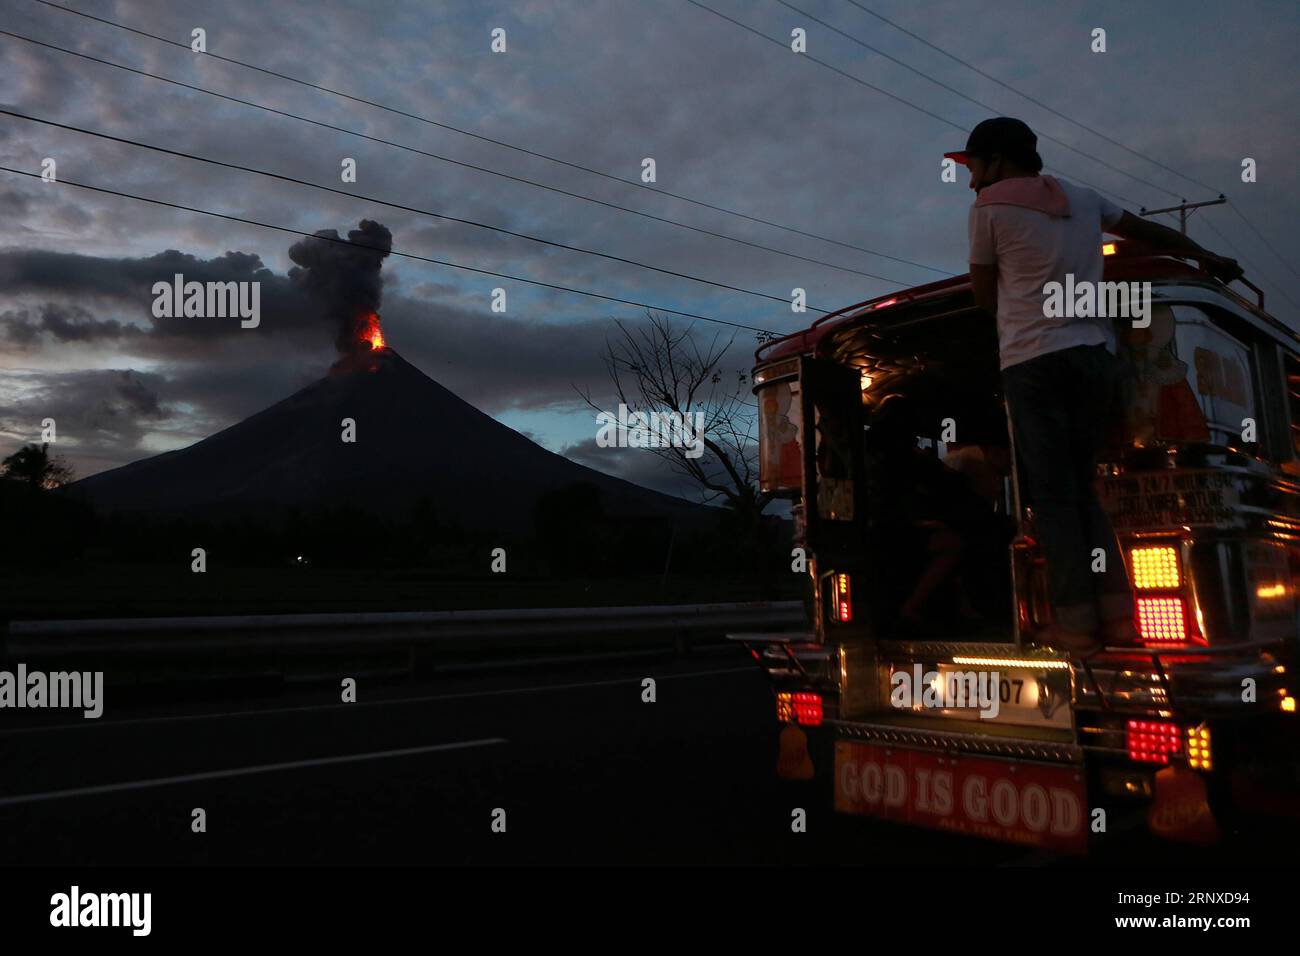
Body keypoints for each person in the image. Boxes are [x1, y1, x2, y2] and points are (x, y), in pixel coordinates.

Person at [946, 117, 1242, 655]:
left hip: (1033, 361)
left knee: (1054, 500)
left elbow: (983, 298)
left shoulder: (986, 211)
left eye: (975, 167)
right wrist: (1208, 257)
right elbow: (1148, 231)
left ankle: (1077, 629)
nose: (971, 181)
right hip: (1095, 357)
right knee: (1086, 493)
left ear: (999, 161)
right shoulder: (1082, 198)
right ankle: (1120, 620)